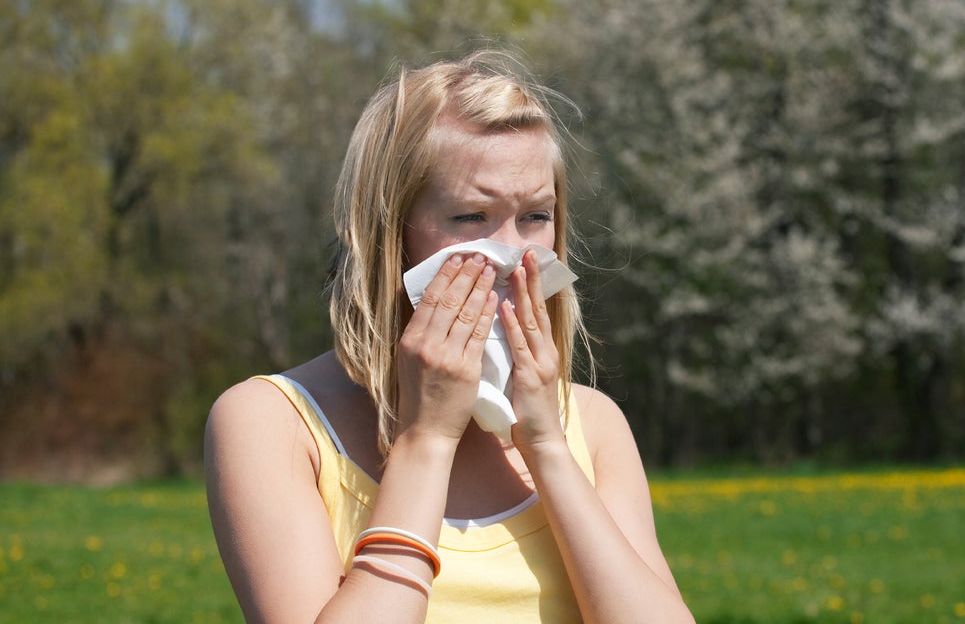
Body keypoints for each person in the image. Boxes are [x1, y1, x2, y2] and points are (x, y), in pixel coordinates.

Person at [204, 50, 693, 623]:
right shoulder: (272, 423)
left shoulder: (593, 423)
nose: (511, 257)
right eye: (470, 218)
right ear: (389, 233)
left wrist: (547, 446)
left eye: (536, 216)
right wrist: (427, 438)